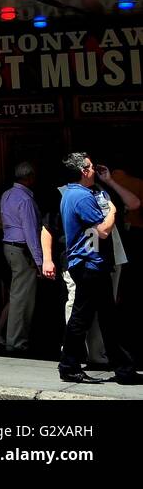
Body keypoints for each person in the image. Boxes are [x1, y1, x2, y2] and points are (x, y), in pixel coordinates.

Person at [59, 152, 140, 384]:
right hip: (88, 264)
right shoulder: (81, 197)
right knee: (83, 318)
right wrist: (113, 210)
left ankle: (123, 368)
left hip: (93, 264)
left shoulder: (79, 193)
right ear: (84, 171)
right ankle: (69, 366)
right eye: (92, 166)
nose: (95, 169)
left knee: (106, 317)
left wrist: (107, 184)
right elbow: (103, 231)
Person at [0, 163, 55, 354]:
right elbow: (31, 233)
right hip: (21, 250)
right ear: (30, 178)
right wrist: (40, 262)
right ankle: (16, 342)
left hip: (9, 246)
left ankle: (11, 338)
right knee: (23, 298)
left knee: (17, 295)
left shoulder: (7, 194)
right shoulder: (26, 200)